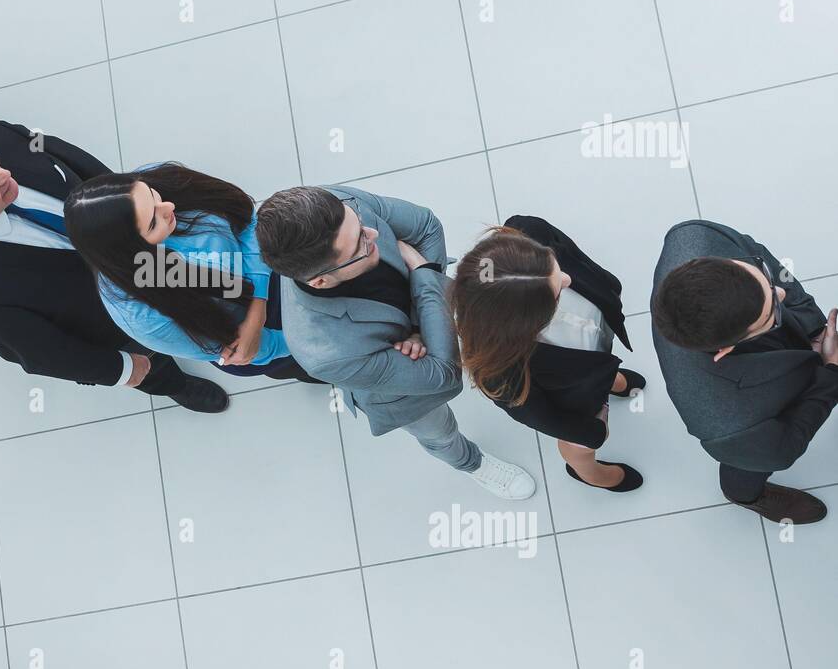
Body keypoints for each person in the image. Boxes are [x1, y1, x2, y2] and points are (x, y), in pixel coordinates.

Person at [0, 120, 229, 412]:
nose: (4, 174)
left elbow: (75, 163)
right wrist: (124, 370)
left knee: (215, 285)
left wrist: (120, 196)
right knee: (157, 363)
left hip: (150, 244)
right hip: (117, 320)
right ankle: (177, 386)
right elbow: (45, 351)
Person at [255, 185, 535, 499]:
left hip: (422, 321)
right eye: (360, 242)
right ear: (319, 280)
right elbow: (443, 376)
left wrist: (419, 322)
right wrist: (423, 271)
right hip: (402, 393)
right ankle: (471, 462)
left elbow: (427, 226)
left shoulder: (338, 209)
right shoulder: (325, 352)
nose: (373, 233)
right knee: (439, 433)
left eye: (359, 224)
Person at [651, 220, 837, 523]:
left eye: (760, 278)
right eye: (772, 314)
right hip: (749, 428)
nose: (781, 294)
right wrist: (831, 373)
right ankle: (745, 496)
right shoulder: (730, 423)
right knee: (746, 468)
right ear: (725, 349)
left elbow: (760, 258)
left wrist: (814, 328)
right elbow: (785, 446)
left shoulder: (694, 237)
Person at [64, 163, 318, 382]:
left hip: (276, 267)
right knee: (319, 365)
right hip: (269, 335)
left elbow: (246, 216)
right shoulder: (146, 319)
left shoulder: (153, 178)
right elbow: (244, 349)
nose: (169, 206)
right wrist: (321, 342)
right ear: (132, 252)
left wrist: (257, 305)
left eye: (154, 195)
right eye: (154, 222)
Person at [451, 216, 645, 492]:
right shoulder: (500, 372)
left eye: (551, 263)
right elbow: (542, 417)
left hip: (593, 350)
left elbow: (576, 259)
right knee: (582, 447)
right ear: (526, 321)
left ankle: (608, 380)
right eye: (557, 291)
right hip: (573, 398)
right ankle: (588, 472)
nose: (567, 278)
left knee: (597, 363)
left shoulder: (528, 230)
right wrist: (592, 433)